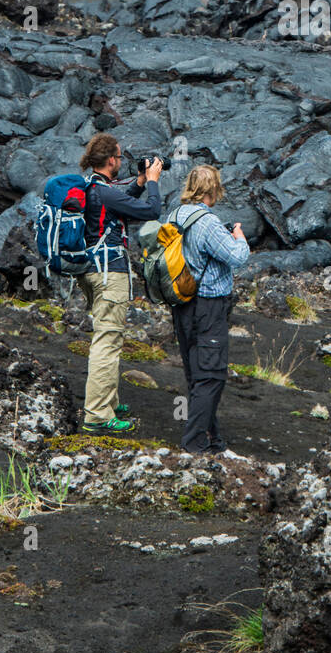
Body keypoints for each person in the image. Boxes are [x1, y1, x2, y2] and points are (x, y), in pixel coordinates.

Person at [77, 132, 163, 435]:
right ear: (111, 159)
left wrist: (139, 182)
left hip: (91, 270)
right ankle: (98, 416)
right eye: (119, 155)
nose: (121, 159)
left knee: (107, 336)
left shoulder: (92, 187)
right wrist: (152, 181)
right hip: (108, 273)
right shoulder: (107, 192)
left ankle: (108, 401)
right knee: (107, 341)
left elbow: (121, 202)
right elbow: (152, 212)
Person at [170, 164, 250, 454]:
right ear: (213, 189)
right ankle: (194, 443)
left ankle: (212, 440)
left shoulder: (176, 215)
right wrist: (238, 235)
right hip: (208, 306)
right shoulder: (207, 222)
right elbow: (236, 257)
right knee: (211, 375)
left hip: (182, 303)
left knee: (197, 372)